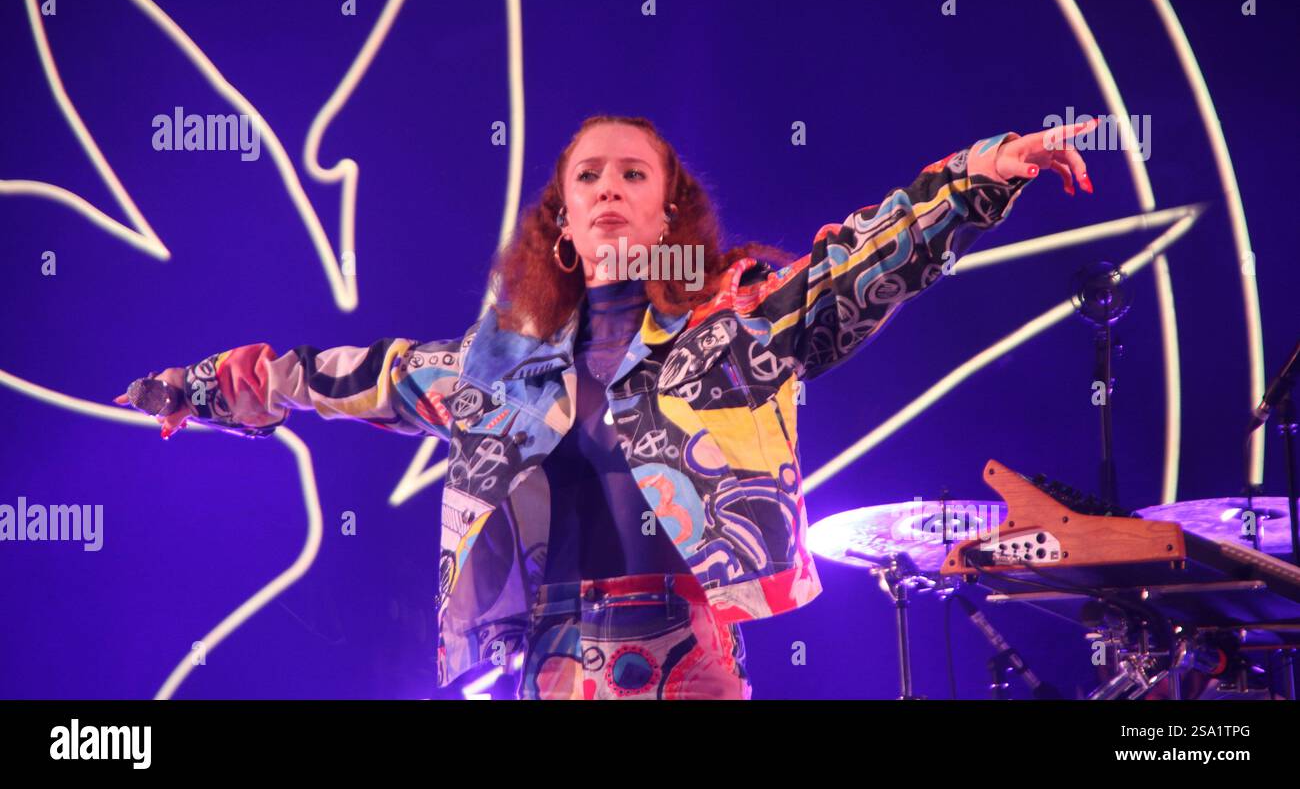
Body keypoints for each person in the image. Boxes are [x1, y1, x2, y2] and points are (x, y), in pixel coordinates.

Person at [116, 113, 1097, 699]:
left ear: (670, 210)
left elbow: (855, 270)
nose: (610, 187)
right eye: (588, 174)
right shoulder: (507, 369)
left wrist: (977, 174)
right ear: (566, 223)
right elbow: (344, 374)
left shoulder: (739, 325)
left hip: (686, 652)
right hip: (552, 658)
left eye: (635, 173)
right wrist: (201, 387)